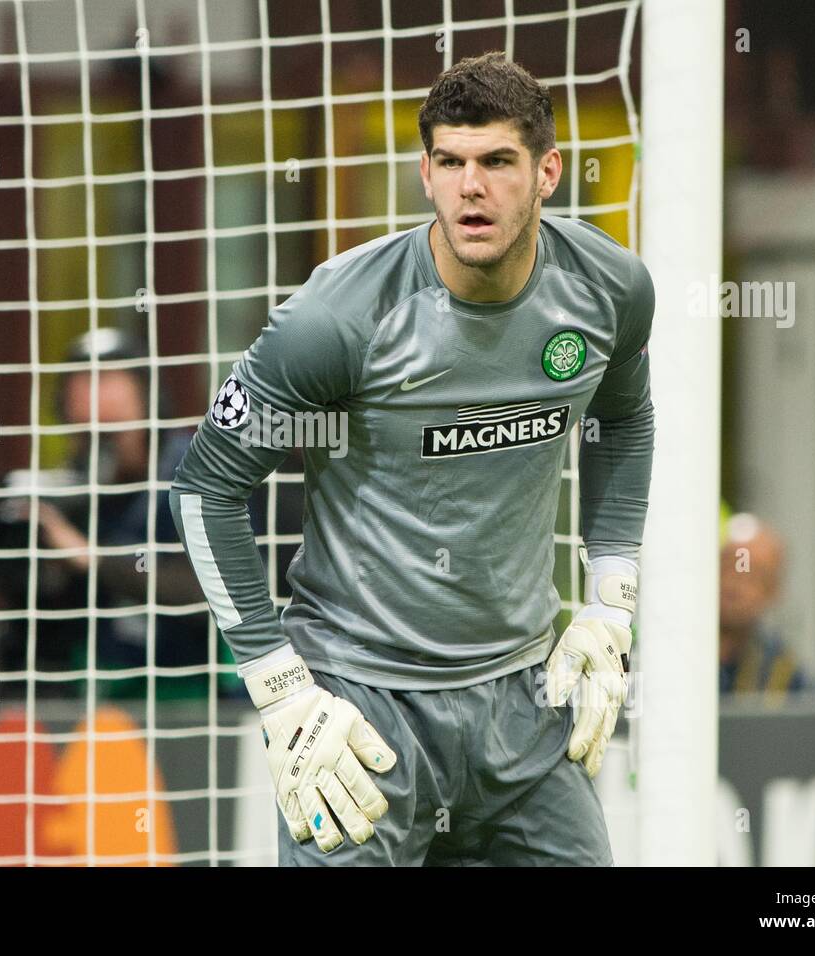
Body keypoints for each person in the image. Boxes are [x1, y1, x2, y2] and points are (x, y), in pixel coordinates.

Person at [169, 53, 655, 865]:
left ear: (547, 172)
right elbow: (205, 489)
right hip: (360, 712)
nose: (473, 187)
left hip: (523, 703)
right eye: (452, 163)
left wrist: (609, 603)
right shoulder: (338, 317)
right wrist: (279, 688)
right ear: (425, 173)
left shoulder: (610, 289)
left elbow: (626, 421)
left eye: (499, 162)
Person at [0, 328, 257, 702]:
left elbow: (211, 589)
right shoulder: (78, 489)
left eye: (112, 430)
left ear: (148, 404)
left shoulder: (195, 470)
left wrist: (88, 557)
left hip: (200, 695)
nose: (99, 445)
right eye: (86, 433)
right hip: (107, 695)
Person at [718, 513, 804, 695]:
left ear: (775, 591)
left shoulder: (781, 672)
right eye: (727, 567)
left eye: (754, 576)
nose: (736, 586)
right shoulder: (668, 651)